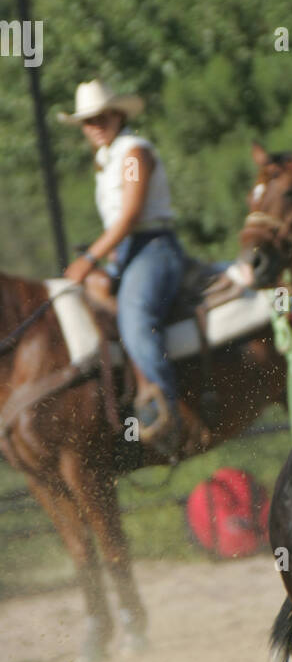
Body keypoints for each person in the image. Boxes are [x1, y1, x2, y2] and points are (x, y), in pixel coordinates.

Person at [60, 79, 186, 458]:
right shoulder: (109, 159)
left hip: (153, 248)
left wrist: (89, 259)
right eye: (88, 121)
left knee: (134, 317)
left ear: (117, 115)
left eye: (101, 117)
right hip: (128, 251)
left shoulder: (132, 155)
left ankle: (163, 408)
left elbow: (129, 216)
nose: (94, 125)